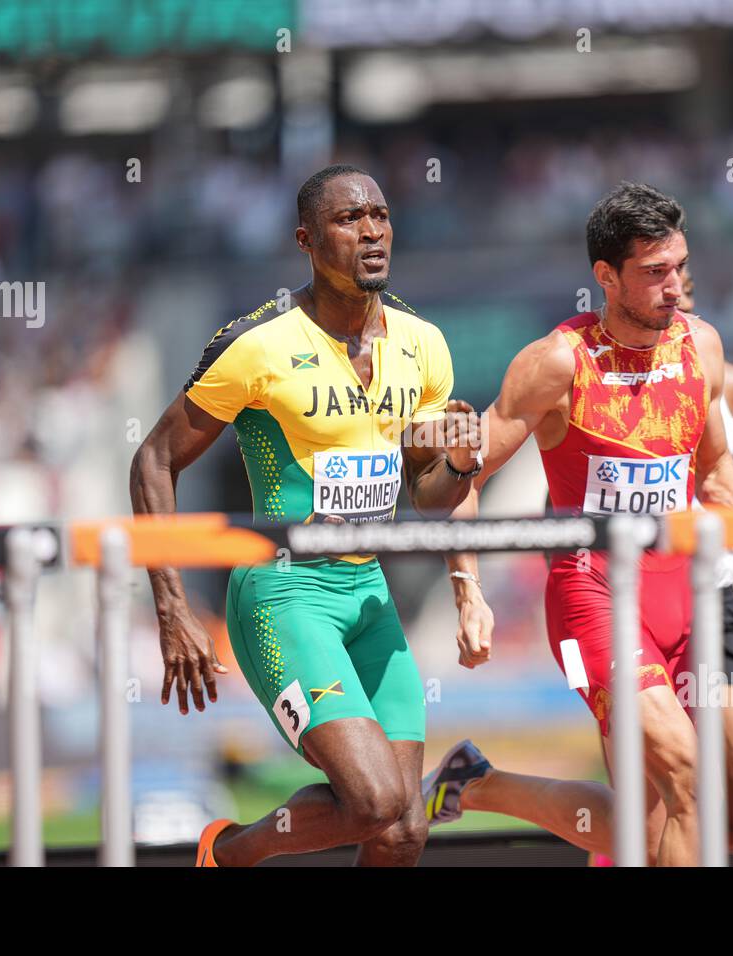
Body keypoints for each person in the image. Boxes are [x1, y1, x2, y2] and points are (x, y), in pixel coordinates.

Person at [130, 164, 481, 867]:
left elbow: (429, 495)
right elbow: (153, 461)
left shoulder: (424, 344)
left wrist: (463, 468)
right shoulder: (257, 343)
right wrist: (172, 607)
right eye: (350, 219)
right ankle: (229, 854)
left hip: (369, 594)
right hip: (284, 594)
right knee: (377, 801)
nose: (373, 230)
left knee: (404, 829)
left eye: (380, 215)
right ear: (307, 240)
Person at [426, 264, 733, 864]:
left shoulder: (718, 372)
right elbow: (518, 489)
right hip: (606, 601)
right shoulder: (564, 364)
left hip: (711, 603)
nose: (674, 295)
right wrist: (470, 587)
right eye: (660, 278)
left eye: (682, 276)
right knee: (679, 787)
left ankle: (477, 783)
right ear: (614, 285)